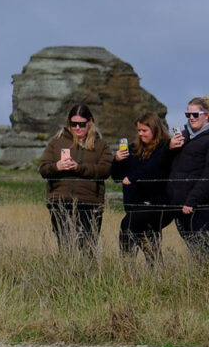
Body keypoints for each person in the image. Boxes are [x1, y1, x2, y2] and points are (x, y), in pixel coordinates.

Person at [38, 103, 112, 251]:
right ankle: (66, 274)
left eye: (81, 124)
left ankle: (87, 274)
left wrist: (79, 168)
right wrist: (57, 166)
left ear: (90, 122)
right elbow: (43, 169)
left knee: (88, 247)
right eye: (73, 124)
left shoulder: (100, 144)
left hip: (89, 203)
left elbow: (105, 170)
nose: (77, 128)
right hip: (60, 202)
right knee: (65, 247)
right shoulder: (56, 142)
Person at [111, 112, 173, 260]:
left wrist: (132, 178)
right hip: (134, 205)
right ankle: (137, 270)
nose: (141, 134)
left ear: (155, 129)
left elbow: (154, 168)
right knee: (148, 238)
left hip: (157, 204)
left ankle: (127, 265)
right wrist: (117, 160)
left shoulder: (164, 149)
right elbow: (117, 177)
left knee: (127, 225)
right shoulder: (133, 149)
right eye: (139, 130)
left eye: (144, 131)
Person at [165, 96, 209, 259]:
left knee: (202, 249)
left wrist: (192, 200)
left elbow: (207, 175)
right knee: (194, 248)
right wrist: (169, 148)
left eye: (195, 114)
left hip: (197, 206)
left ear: (207, 115)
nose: (191, 118)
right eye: (188, 114)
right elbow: (166, 164)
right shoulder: (183, 136)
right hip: (178, 205)